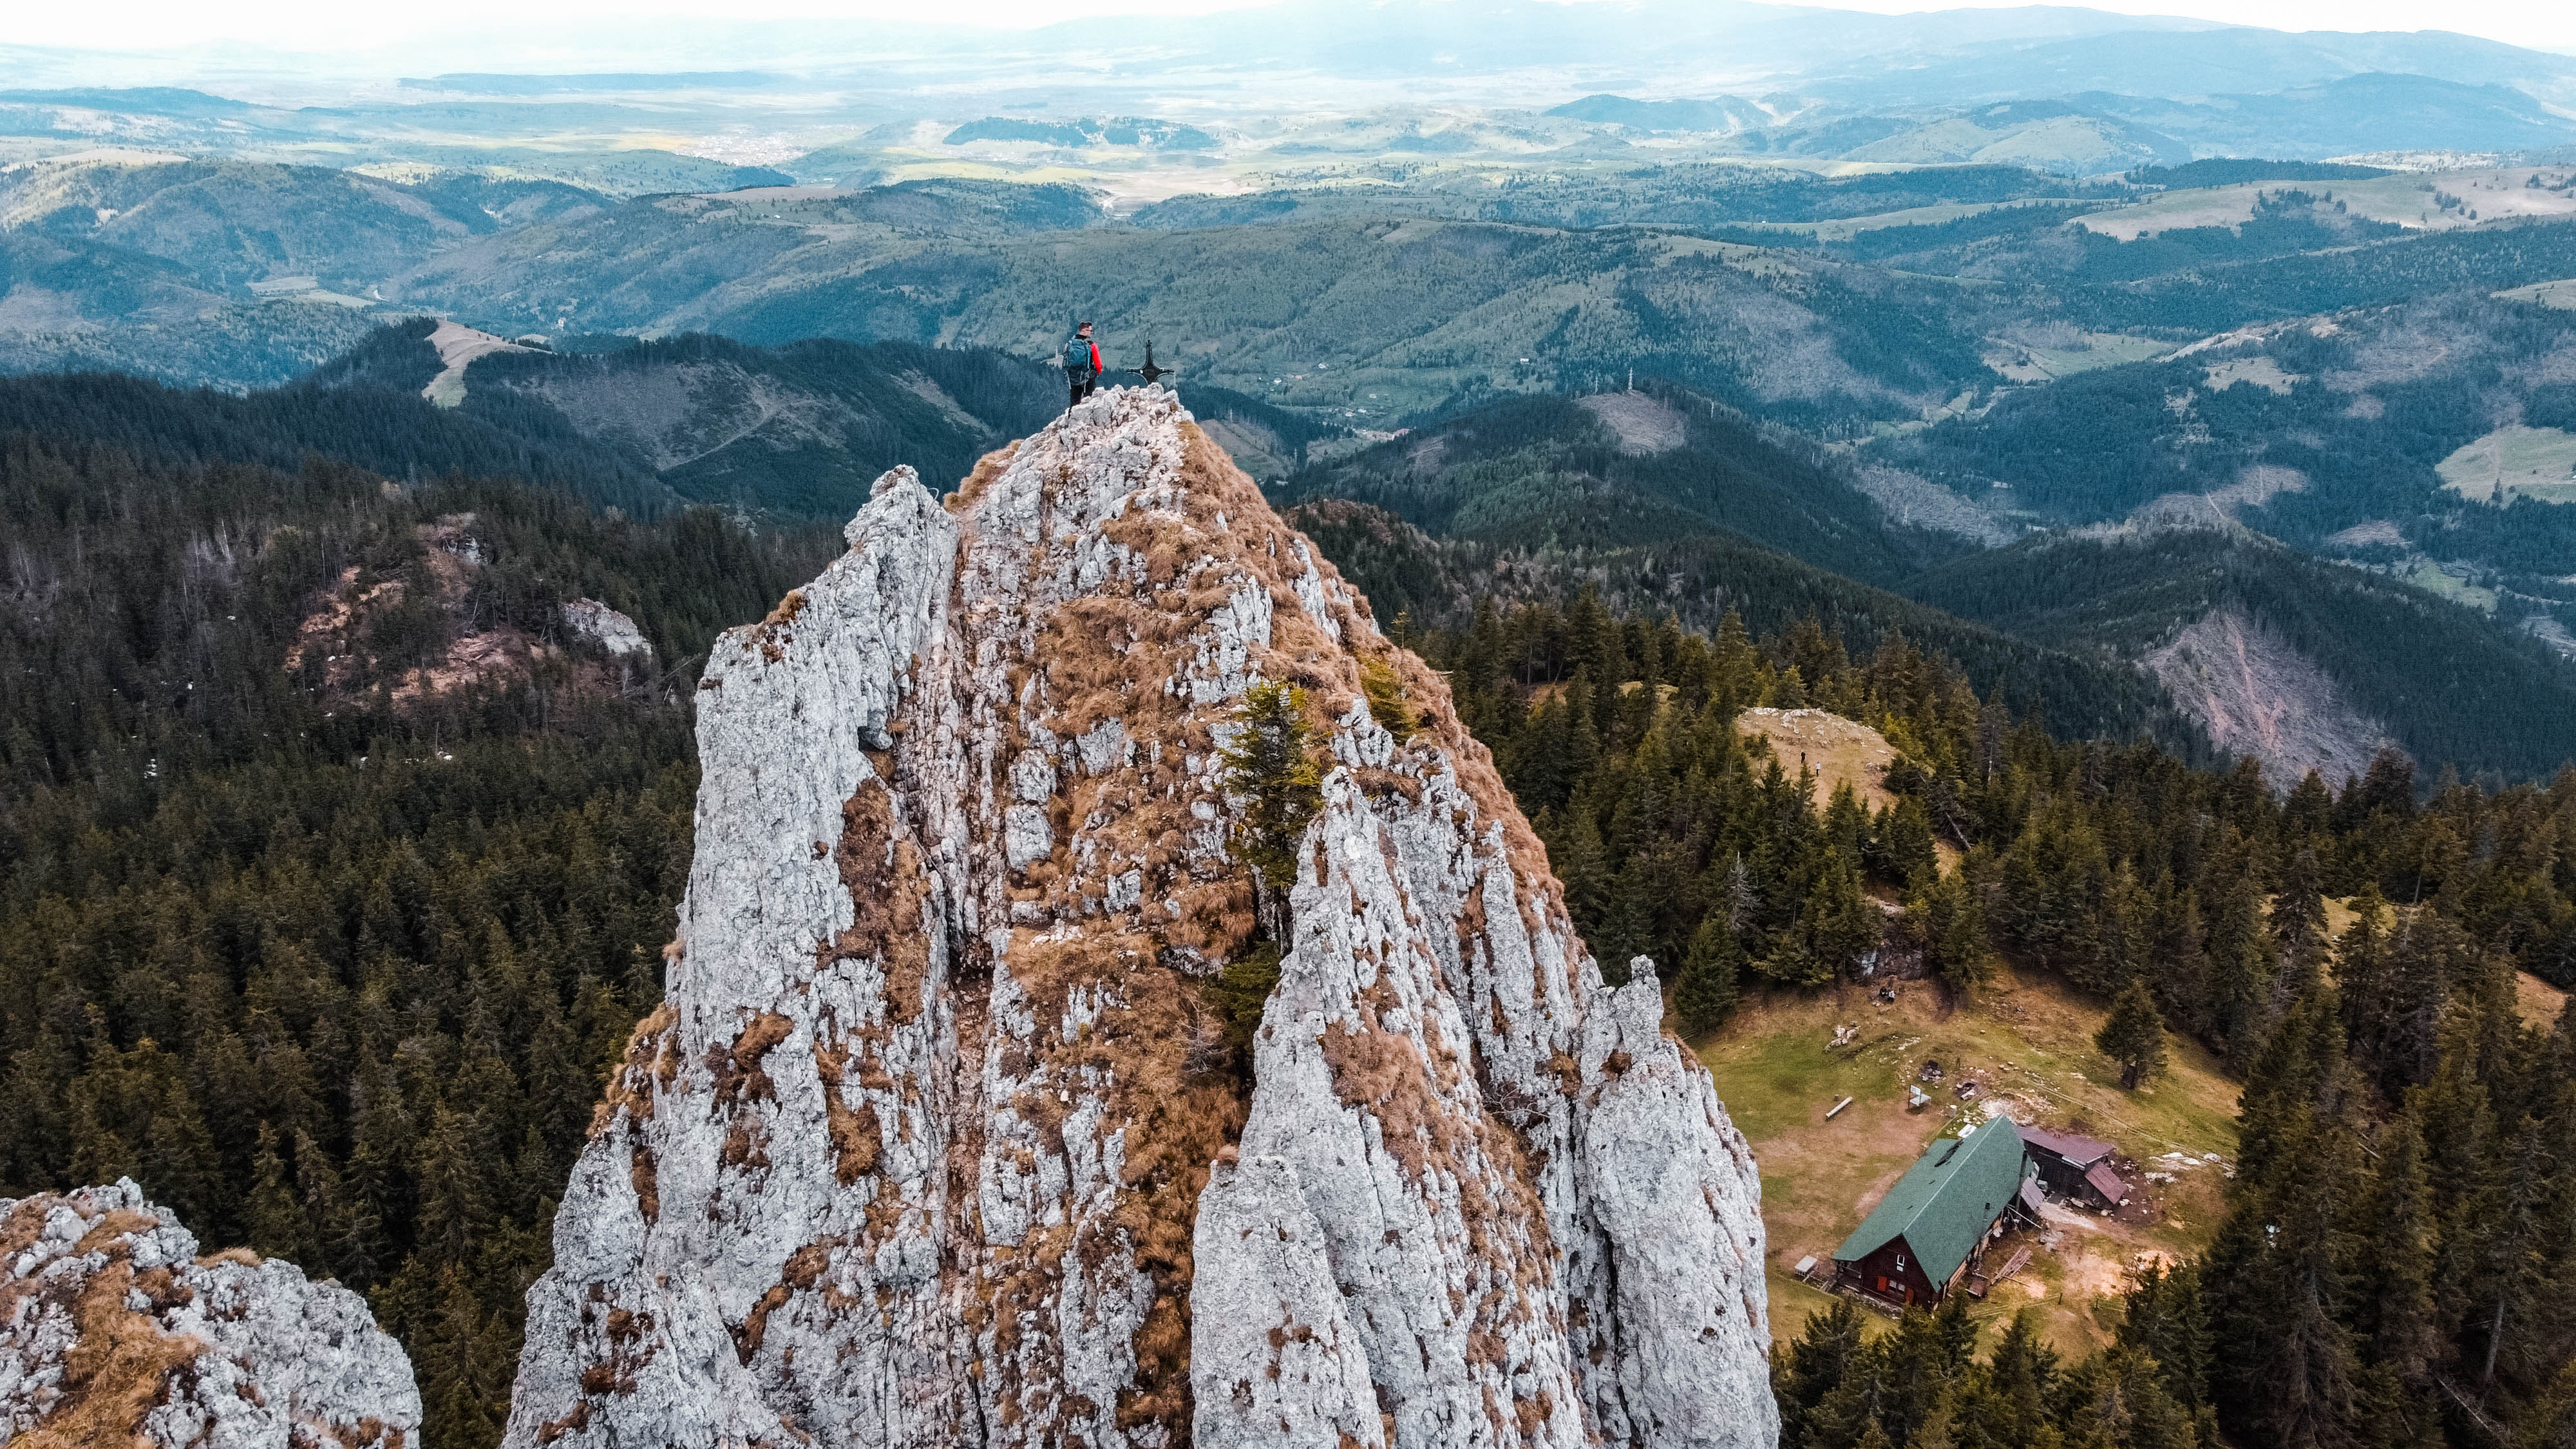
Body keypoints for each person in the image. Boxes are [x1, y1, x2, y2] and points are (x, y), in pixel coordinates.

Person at [1061, 321, 1103, 406]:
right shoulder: (1091, 345)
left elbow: (1066, 357)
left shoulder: (1070, 344)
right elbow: (1098, 362)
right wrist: (1097, 372)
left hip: (1073, 375)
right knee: (1089, 400)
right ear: (1084, 330)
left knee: (1074, 400)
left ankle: (1072, 416)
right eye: (1090, 331)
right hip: (1088, 375)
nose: (1091, 333)